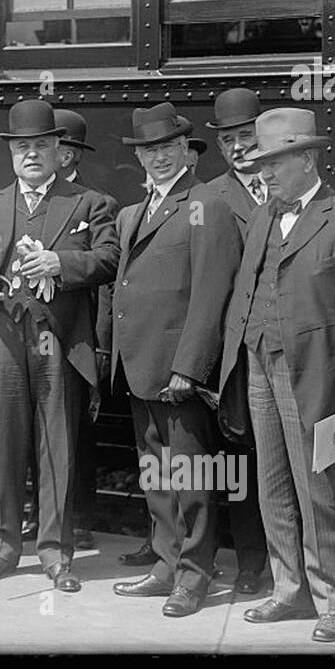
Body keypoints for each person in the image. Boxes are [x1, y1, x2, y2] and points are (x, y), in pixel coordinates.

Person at [217, 108, 335, 643]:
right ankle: (288, 591)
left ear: (307, 159)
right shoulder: (267, 214)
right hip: (260, 362)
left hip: (316, 371)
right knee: (272, 485)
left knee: (322, 489)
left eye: (275, 163)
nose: (264, 173)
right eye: (261, 164)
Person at [0, 99, 119, 592]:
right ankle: (2, 547)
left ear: (57, 150)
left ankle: (55, 553)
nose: (31, 155)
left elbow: (109, 258)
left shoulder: (88, 203)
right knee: (2, 446)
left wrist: (60, 265)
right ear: (11, 154)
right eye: (22, 147)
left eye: (41, 146)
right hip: (3, 338)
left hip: (59, 342)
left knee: (57, 448)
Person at [98, 103, 241, 617]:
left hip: (178, 371)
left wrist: (191, 366)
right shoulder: (135, 212)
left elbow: (210, 293)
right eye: (148, 151)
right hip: (140, 365)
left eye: (166, 148)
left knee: (191, 477)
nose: (157, 158)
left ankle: (195, 575)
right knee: (155, 474)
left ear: (187, 150)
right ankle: (165, 564)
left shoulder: (205, 205)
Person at [203, 87, 271, 596]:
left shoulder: (288, 183)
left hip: (288, 347)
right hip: (236, 352)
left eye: (245, 136)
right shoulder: (211, 198)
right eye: (228, 140)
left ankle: (297, 566)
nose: (238, 147)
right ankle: (251, 562)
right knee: (242, 461)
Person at [54, 108, 110, 551]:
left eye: (61, 146)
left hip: (78, 333)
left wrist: (102, 344)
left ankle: (77, 517)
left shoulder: (93, 202)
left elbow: (108, 275)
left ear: (71, 155)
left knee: (75, 432)